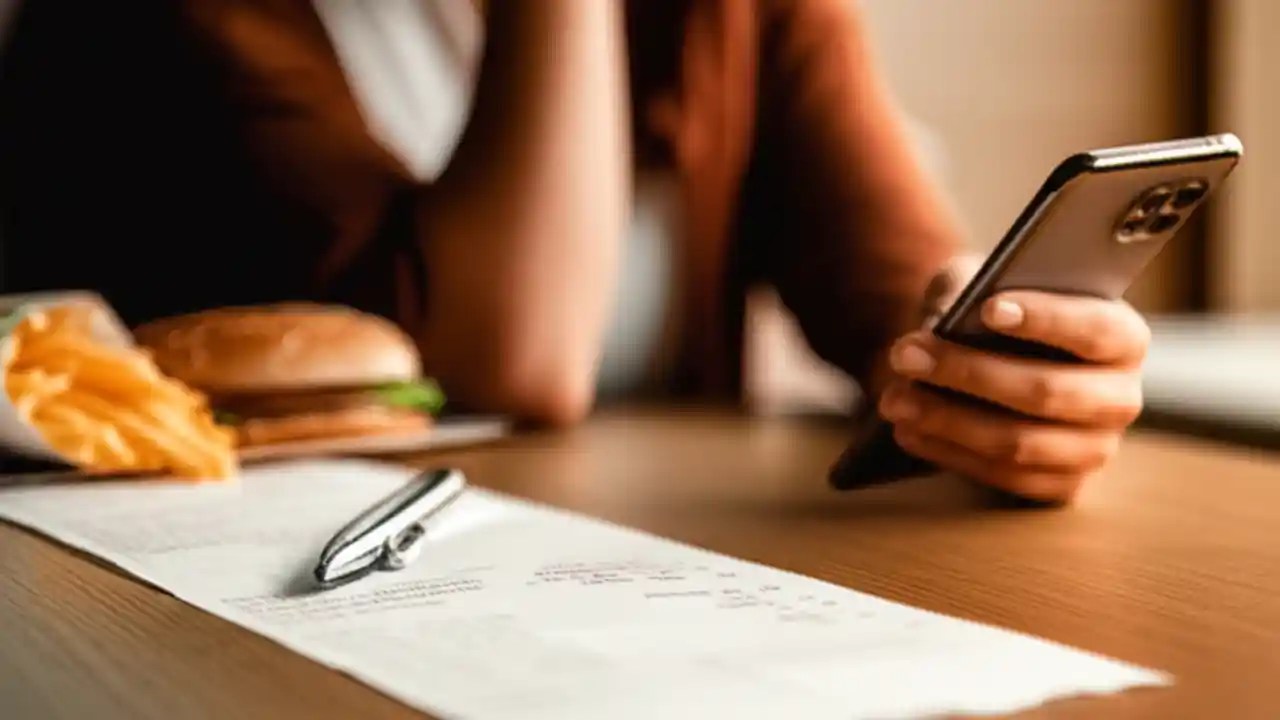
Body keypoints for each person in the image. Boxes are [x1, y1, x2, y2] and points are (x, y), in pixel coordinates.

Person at [0, 0, 1148, 503]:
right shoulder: (154, 18)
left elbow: (892, 288)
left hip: (662, 592)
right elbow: (511, 358)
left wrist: (1003, 369)